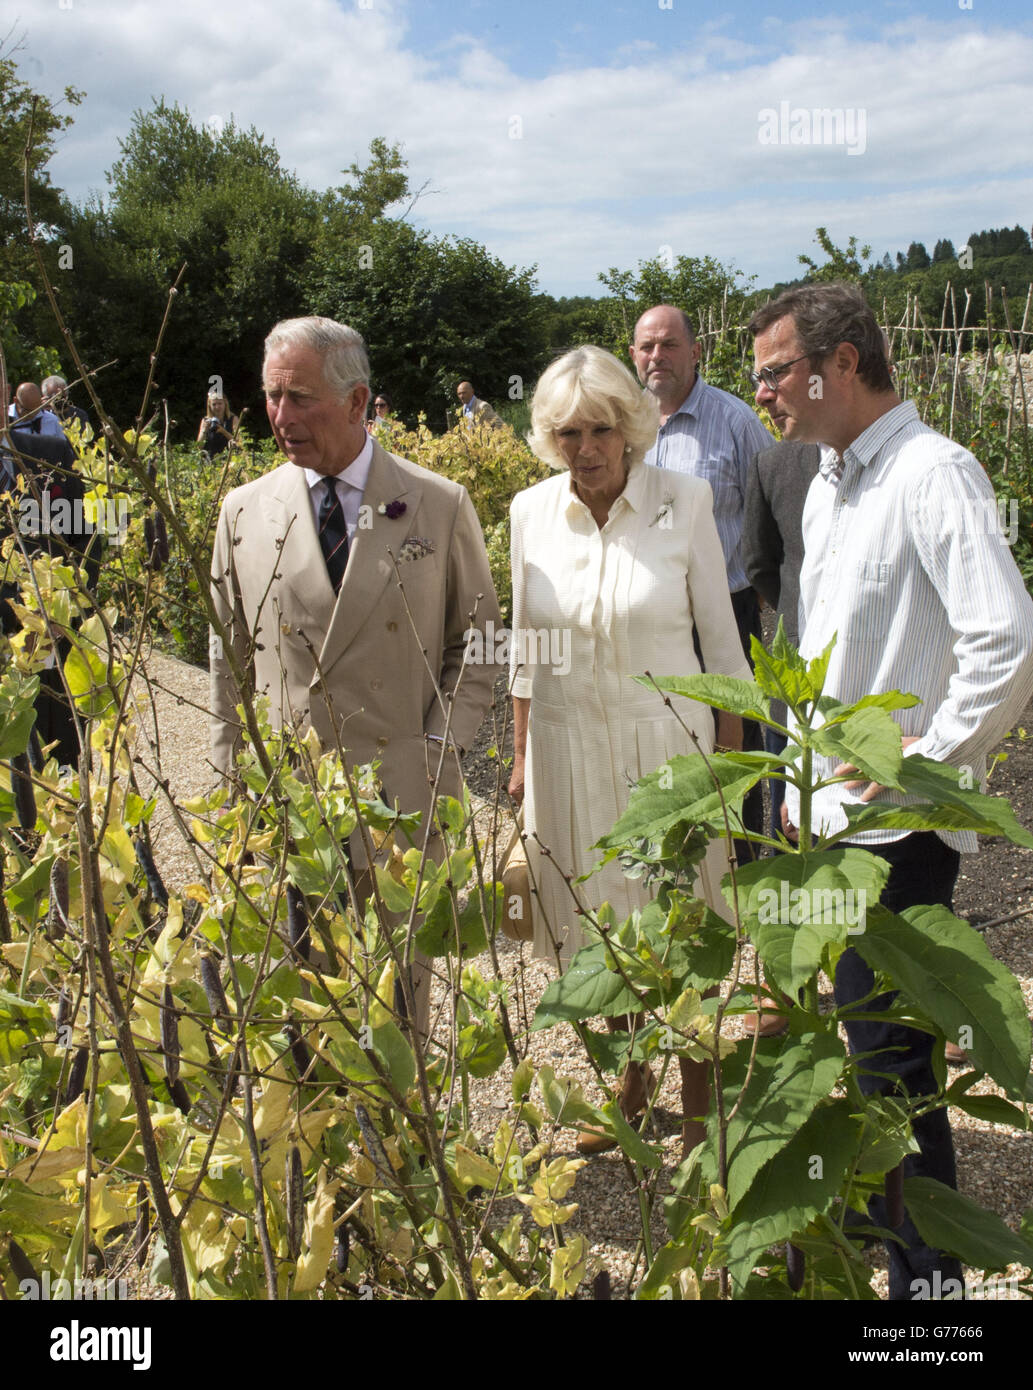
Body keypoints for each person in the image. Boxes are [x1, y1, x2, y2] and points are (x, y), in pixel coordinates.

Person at [748, 281, 1033, 1300]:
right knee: (825, 1055)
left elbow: (1006, 640)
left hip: (894, 834)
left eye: (776, 372)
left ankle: (928, 1291)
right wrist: (792, 779)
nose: (767, 395)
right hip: (820, 823)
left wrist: (919, 764)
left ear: (844, 364)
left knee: (889, 1070)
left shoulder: (931, 473)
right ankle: (842, 1264)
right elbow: (817, 653)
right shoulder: (823, 480)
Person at [209, 317, 500, 1035]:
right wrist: (230, 785)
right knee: (303, 998)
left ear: (357, 400)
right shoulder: (242, 512)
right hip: (291, 801)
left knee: (398, 1003)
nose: (281, 416)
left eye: (300, 397)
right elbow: (230, 663)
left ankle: (401, 1142)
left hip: (399, 794)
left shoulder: (437, 503)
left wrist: (437, 750)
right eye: (271, 397)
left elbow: (483, 642)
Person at [507, 345, 751, 1157]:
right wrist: (518, 760)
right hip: (567, 749)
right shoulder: (529, 513)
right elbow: (522, 650)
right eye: (568, 432)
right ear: (548, 437)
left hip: (669, 758)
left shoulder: (684, 500)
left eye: (601, 428)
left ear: (631, 427)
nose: (586, 448)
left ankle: (696, 1117)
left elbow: (723, 652)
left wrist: (729, 773)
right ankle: (629, 1082)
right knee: (598, 927)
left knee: (683, 929)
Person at [629, 306, 773, 856]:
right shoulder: (628, 427)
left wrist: (753, 594)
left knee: (734, 741)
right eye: (646, 346)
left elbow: (770, 519)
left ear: (695, 352)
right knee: (661, 729)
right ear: (634, 355)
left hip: (728, 611)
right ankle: (676, 858)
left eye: (668, 345)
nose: (656, 356)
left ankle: (739, 862)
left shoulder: (735, 423)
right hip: (649, 611)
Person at [741, 439, 821, 840]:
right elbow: (758, 562)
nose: (764, 396)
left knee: (790, 829)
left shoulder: (773, 462)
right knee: (793, 827)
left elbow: (758, 563)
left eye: (774, 376)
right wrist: (799, 613)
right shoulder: (770, 464)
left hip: (798, 676)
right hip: (794, 679)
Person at [197, 391, 239, 457]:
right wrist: (204, 431)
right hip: (210, 461)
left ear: (225, 404)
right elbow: (199, 447)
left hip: (229, 460)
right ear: (209, 406)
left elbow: (239, 442)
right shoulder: (205, 420)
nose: (217, 407)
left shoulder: (233, 419)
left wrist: (223, 431)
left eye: (220, 403)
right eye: (214, 404)